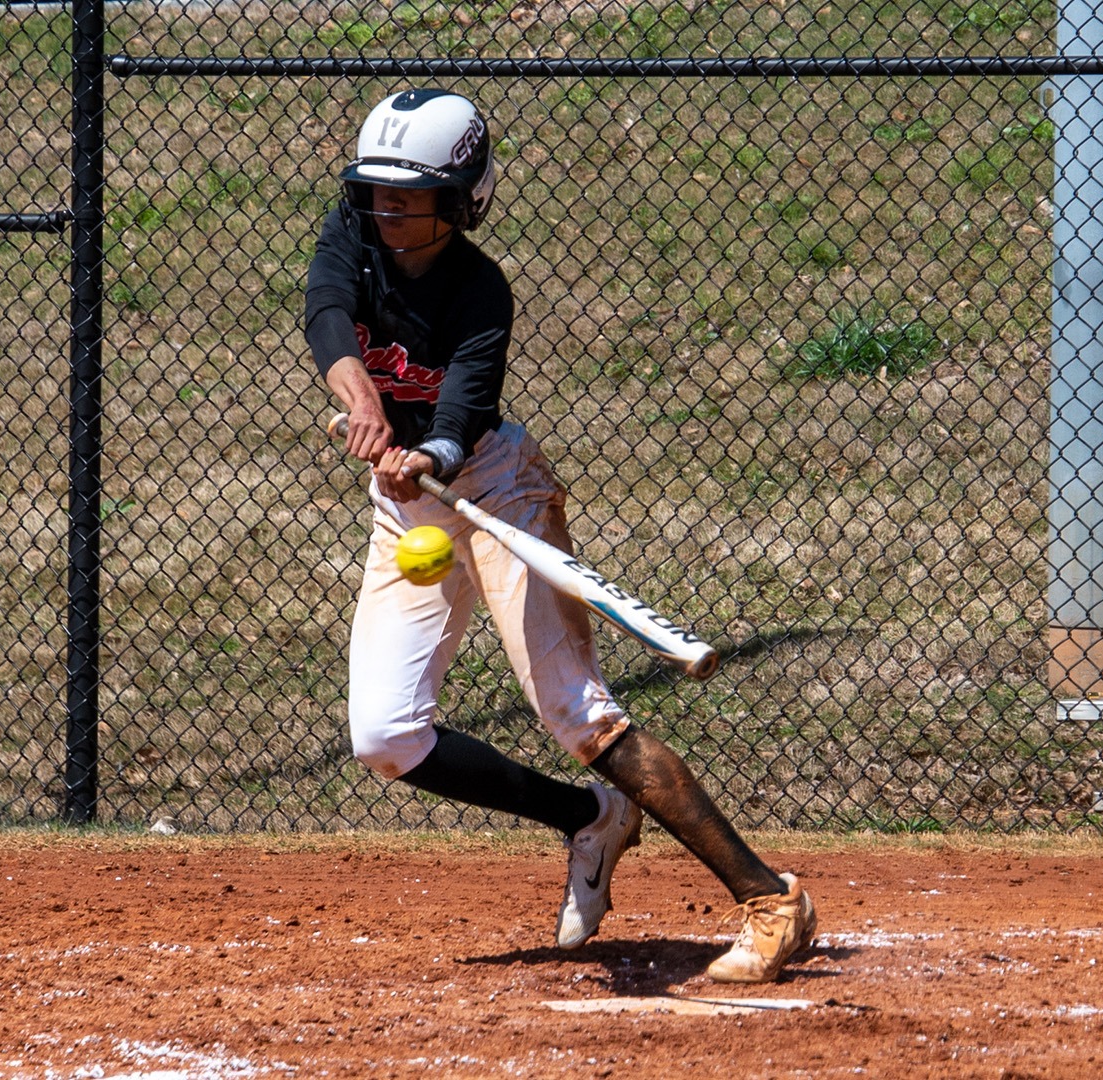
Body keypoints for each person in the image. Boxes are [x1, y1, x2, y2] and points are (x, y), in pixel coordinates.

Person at [306, 89, 814, 983]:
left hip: (494, 492)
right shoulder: (355, 233)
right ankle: (588, 818)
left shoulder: (479, 290)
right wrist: (365, 407)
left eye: (407, 196)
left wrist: (420, 451)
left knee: (575, 713)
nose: (384, 210)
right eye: (376, 193)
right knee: (385, 737)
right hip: (408, 511)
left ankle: (771, 898)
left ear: (461, 200)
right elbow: (325, 316)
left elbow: (462, 420)